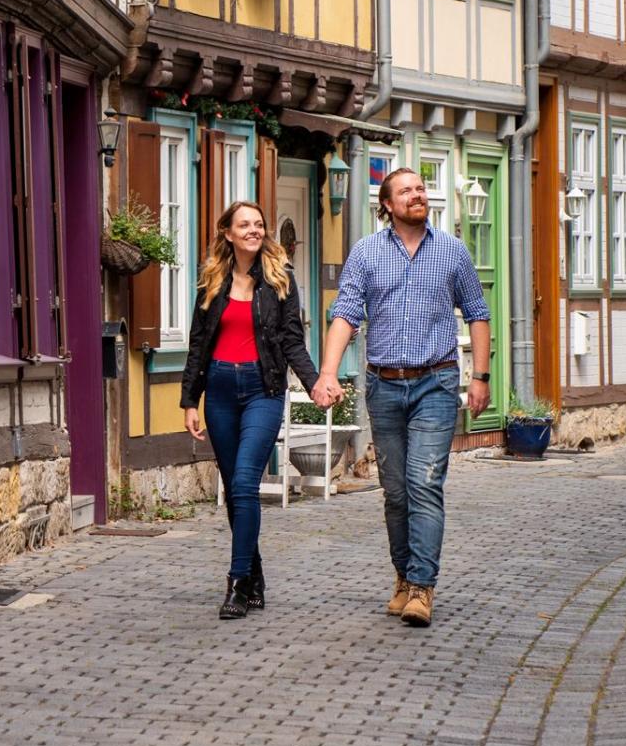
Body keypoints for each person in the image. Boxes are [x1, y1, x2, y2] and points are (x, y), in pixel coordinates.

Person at [316, 167, 490, 628]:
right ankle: (403, 576)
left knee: (424, 483)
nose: (417, 195)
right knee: (394, 491)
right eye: (407, 191)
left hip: (436, 382)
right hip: (384, 385)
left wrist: (481, 377)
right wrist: (328, 372)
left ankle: (422, 587)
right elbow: (345, 314)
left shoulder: (452, 251)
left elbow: (477, 313)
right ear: (388, 205)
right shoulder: (366, 252)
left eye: (421, 189)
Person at [181, 201, 342, 620]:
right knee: (234, 487)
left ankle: (236, 583)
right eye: (244, 225)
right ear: (228, 233)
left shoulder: (279, 279)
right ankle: (254, 574)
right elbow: (198, 343)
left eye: (258, 224)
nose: (253, 230)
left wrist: (315, 382)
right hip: (218, 391)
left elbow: (292, 341)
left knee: (244, 483)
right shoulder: (212, 281)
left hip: (262, 389)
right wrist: (189, 400)